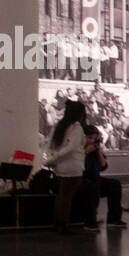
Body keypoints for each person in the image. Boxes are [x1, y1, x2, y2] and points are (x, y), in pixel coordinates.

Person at [47, 100, 89, 234]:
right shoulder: (76, 127)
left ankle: (58, 223)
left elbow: (51, 143)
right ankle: (63, 224)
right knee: (67, 197)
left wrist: (53, 158)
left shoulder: (60, 125)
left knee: (61, 196)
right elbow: (71, 147)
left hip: (60, 167)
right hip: (73, 166)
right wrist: (57, 156)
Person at [75, 124, 126, 230]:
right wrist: (85, 152)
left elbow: (103, 166)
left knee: (114, 184)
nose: (91, 141)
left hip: (95, 180)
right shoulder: (76, 150)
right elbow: (76, 167)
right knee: (91, 186)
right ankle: (89, 221)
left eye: (94, 138)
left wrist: (98, 151)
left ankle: (113, 219)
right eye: (89, 138)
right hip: (79, 181)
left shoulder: (95, 151)